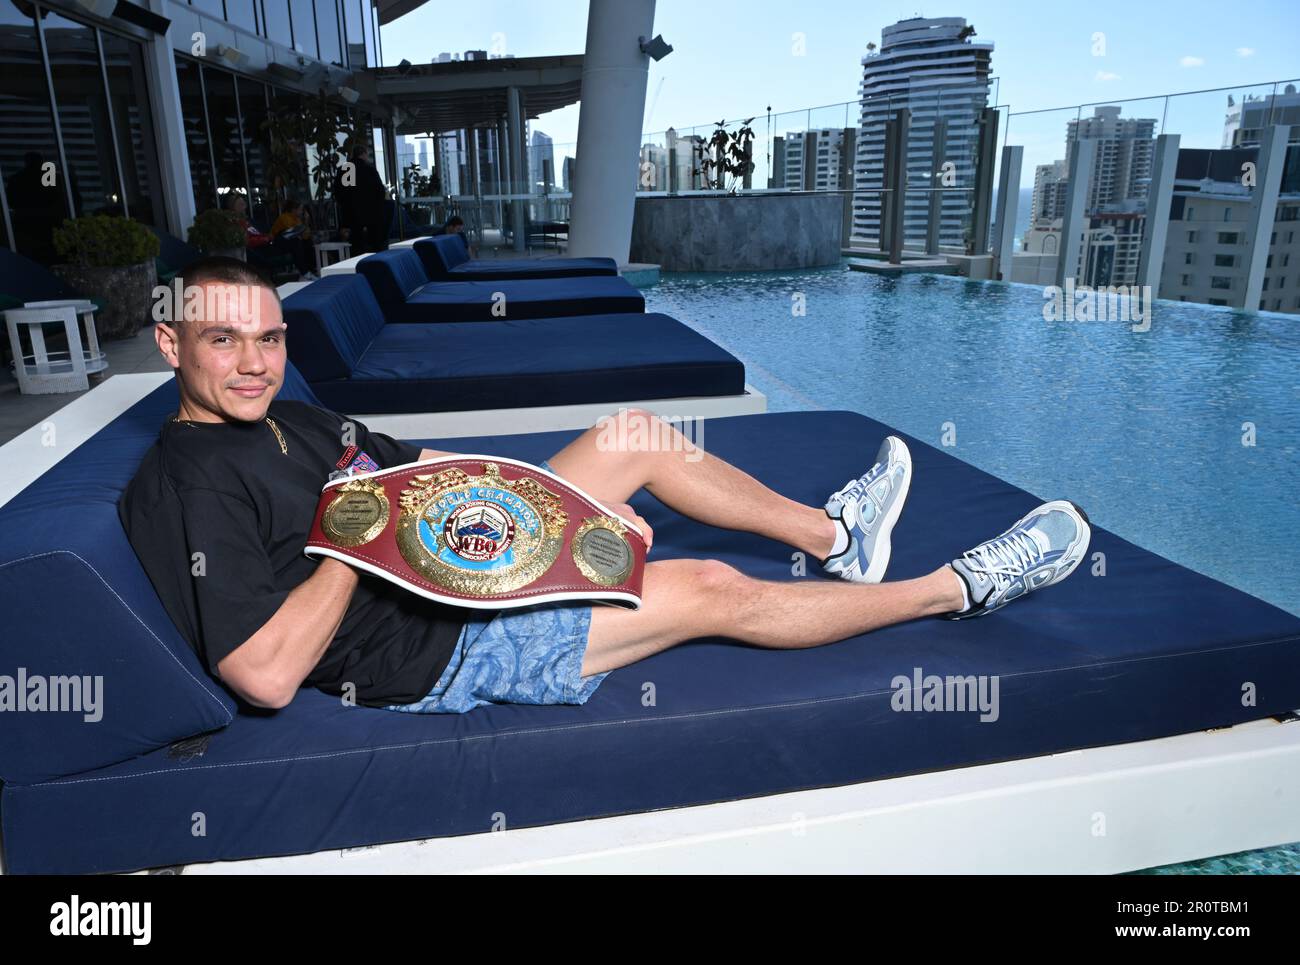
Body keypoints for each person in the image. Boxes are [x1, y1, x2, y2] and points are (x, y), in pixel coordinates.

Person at [120, 256, 1092, 715]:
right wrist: (352, 535)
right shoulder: (185, 486)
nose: (252, 362)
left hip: (461, 553)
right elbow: (265, 674)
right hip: (434, 646)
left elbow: (421, 472)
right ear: (171, 342)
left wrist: (557, 521)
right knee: (708, 582)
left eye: (267, 336)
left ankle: (838, 536)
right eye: (221, 339)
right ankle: (960, 587)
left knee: (632, 435)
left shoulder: (284, 413)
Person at [334, 146, 388, 254]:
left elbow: (341, 193)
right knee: (375, 242)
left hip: (351, 213)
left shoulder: (345, 169)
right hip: (369, 212)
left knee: (356, 243)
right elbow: (379, 191)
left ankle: (356, 263)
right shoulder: (369, 169)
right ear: (363, 154)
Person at [269, 199, 318, 279]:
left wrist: (306, 221)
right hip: (276, 243)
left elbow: (305, 235)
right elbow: (291, 234)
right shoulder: (284, 218)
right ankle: (304, 272)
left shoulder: (296, 218)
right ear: (294, 210)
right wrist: (304, 226)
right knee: (296, 242)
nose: (302, 212)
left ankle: (310, 269)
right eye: (300, 209)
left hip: (289, 242)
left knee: (307, 241)